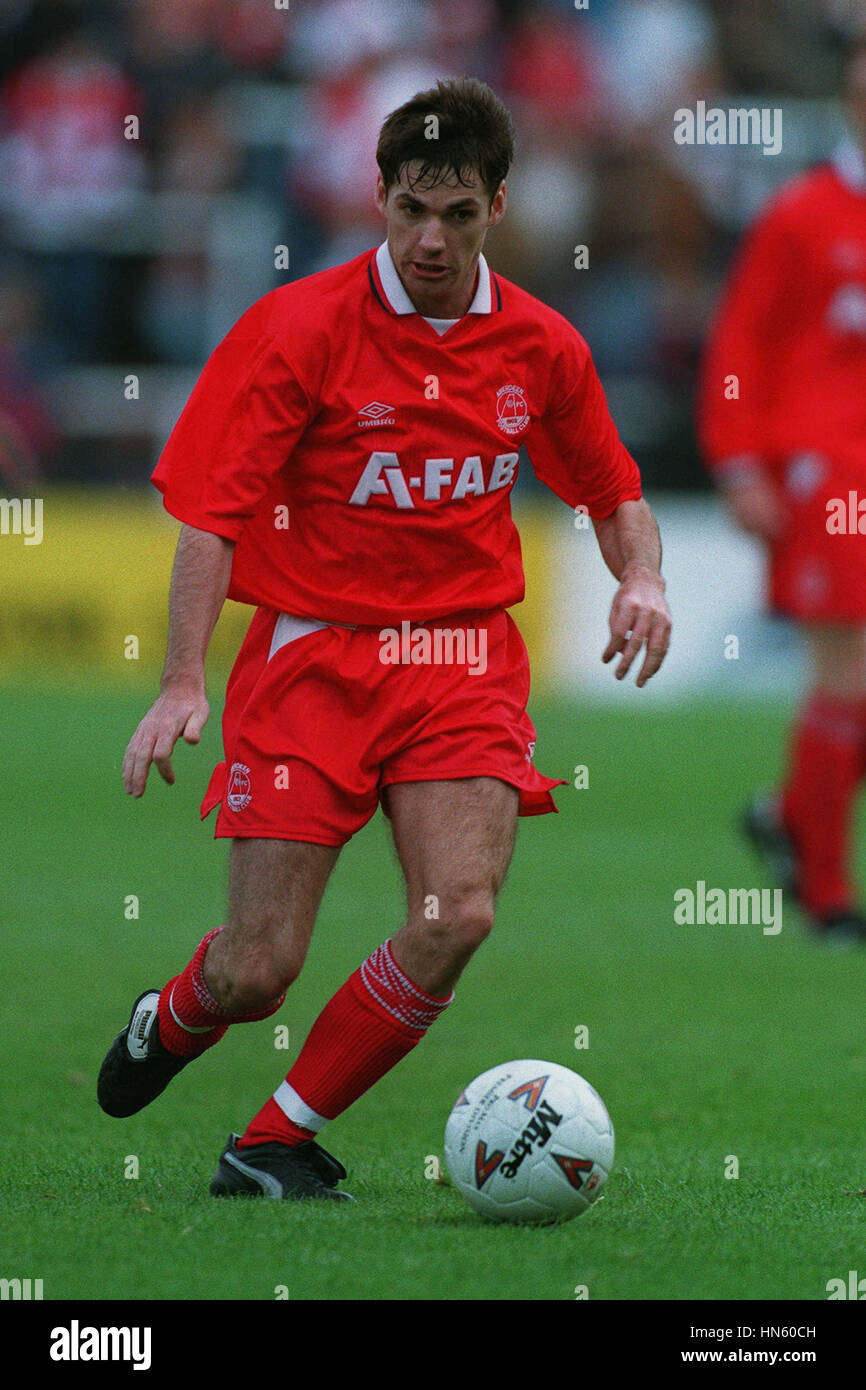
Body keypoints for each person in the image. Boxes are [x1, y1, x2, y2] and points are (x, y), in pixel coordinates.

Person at [97, 78, 671, 1201]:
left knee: (457, 914)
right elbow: (213, 518)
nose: (430, 240)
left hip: (459, 658)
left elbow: (612, 493)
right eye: (412, 209)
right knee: (258, 970)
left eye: (457, 214)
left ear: (497, 206)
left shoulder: (540, 346)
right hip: (312, 656)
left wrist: (642, 575)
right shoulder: (298, 328)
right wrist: (180, 681)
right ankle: (174, 1014)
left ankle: (272, 1139)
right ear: (378, 197)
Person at [698, 35, 866, 943]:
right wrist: (740, 463)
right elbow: (739, 344)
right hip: (826, 470)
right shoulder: (801, 215)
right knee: (846, 671)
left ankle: (788, 817)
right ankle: (824, 897)